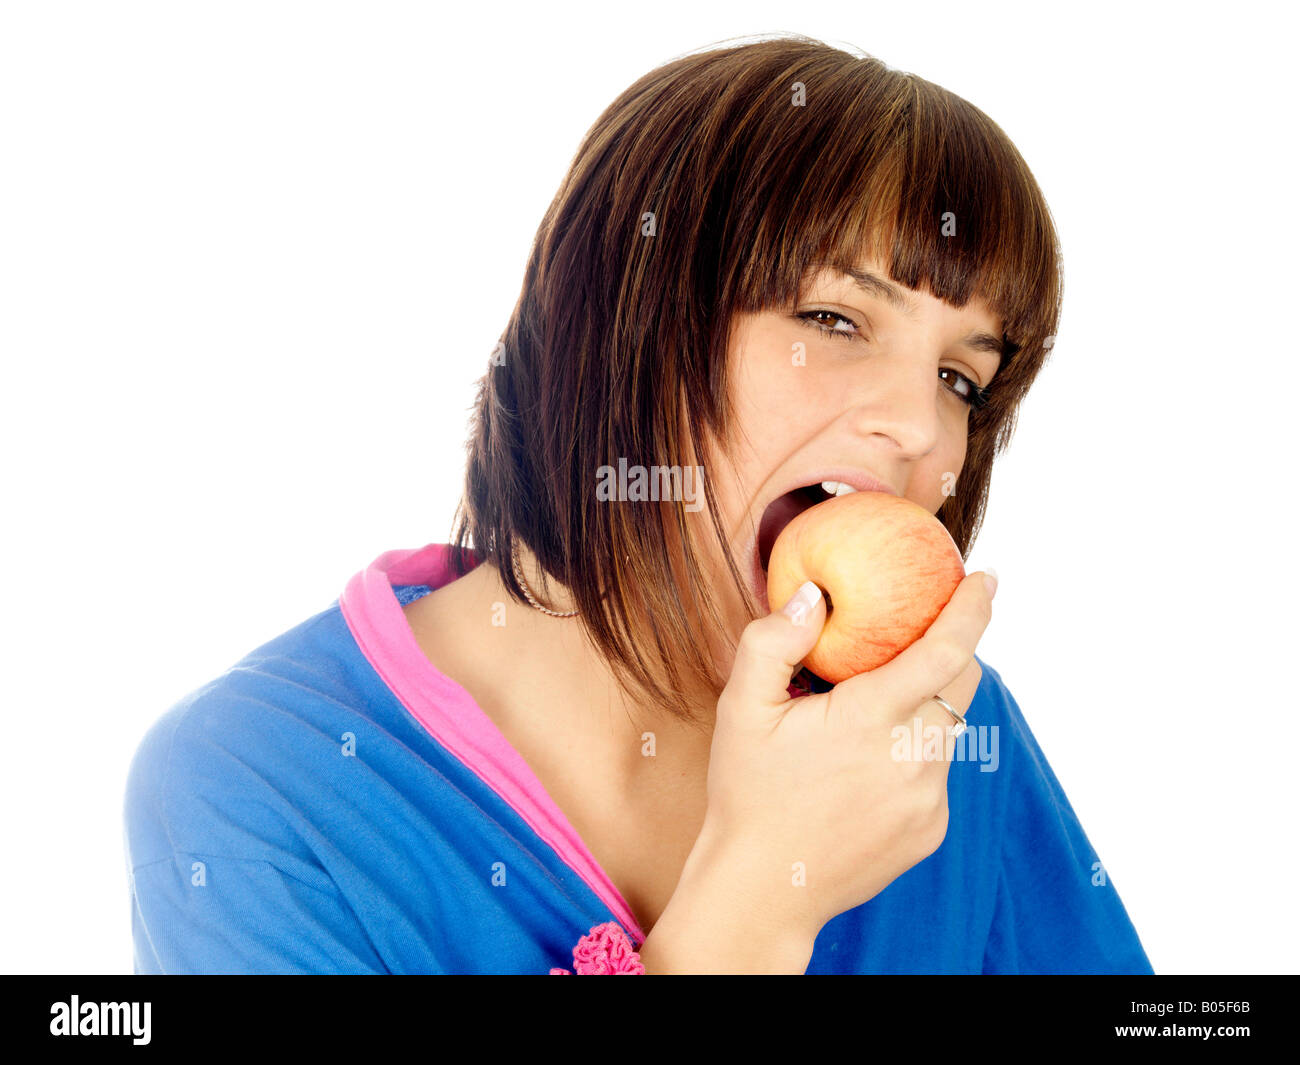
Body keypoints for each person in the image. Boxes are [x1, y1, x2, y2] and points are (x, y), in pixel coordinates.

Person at [122, 33, 1153, 974]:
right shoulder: (259, 789)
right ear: (625, 334)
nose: (921, 430)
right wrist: (752, 907)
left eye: (960, 380)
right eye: (832, 317)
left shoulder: (932, 738)